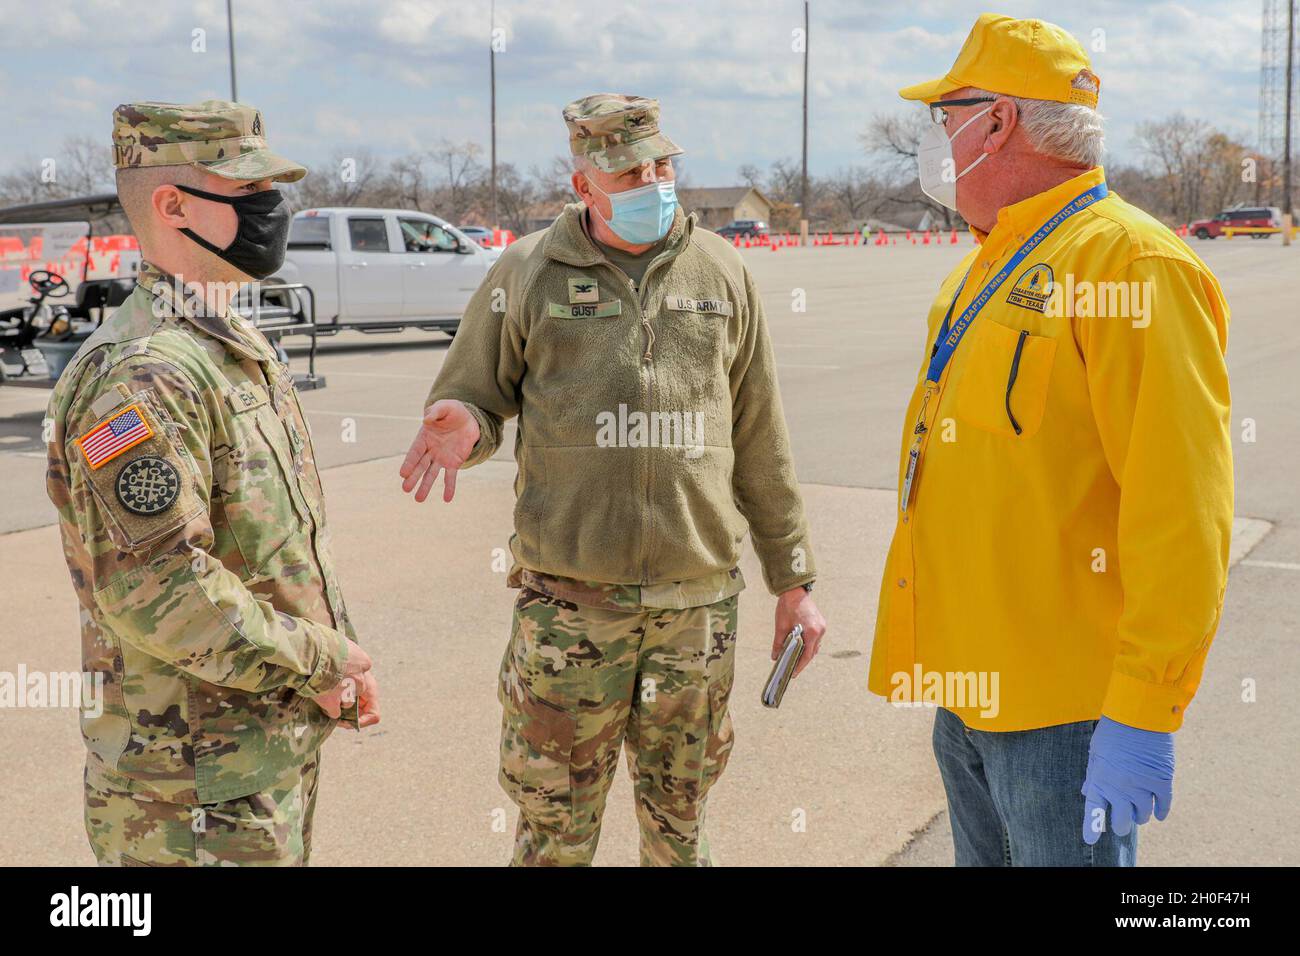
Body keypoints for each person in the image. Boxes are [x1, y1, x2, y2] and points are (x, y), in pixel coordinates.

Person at [400, 93, 826, 866]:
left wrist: (793, 578)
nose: (652, 180)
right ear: (583, 183)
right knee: (554, 831)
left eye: (662, 163)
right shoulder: (528, 269)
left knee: (680, 825)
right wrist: (467, 423)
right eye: (629, 169)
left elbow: (762, 436)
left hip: (696, 609)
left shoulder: (722, 270)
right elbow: (474, 397)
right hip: (572, 613)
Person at [871, 14, 1232, 865]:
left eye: (945, 115)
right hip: (968, 699)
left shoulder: (1133, 267)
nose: (936, 137)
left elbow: (1182, 508)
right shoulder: (986, 264)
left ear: (997, 121)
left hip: (1065, 720)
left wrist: (1145, 706)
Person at [45, 100, 378, 866]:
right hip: (188, 786)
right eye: (250, 192)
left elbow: (273, 545)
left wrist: (333, 657)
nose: (273, 211)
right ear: (170, 205)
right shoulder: (144, 371)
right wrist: (320, 659)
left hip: (253, 755)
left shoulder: (228, 341)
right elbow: (160, 591)